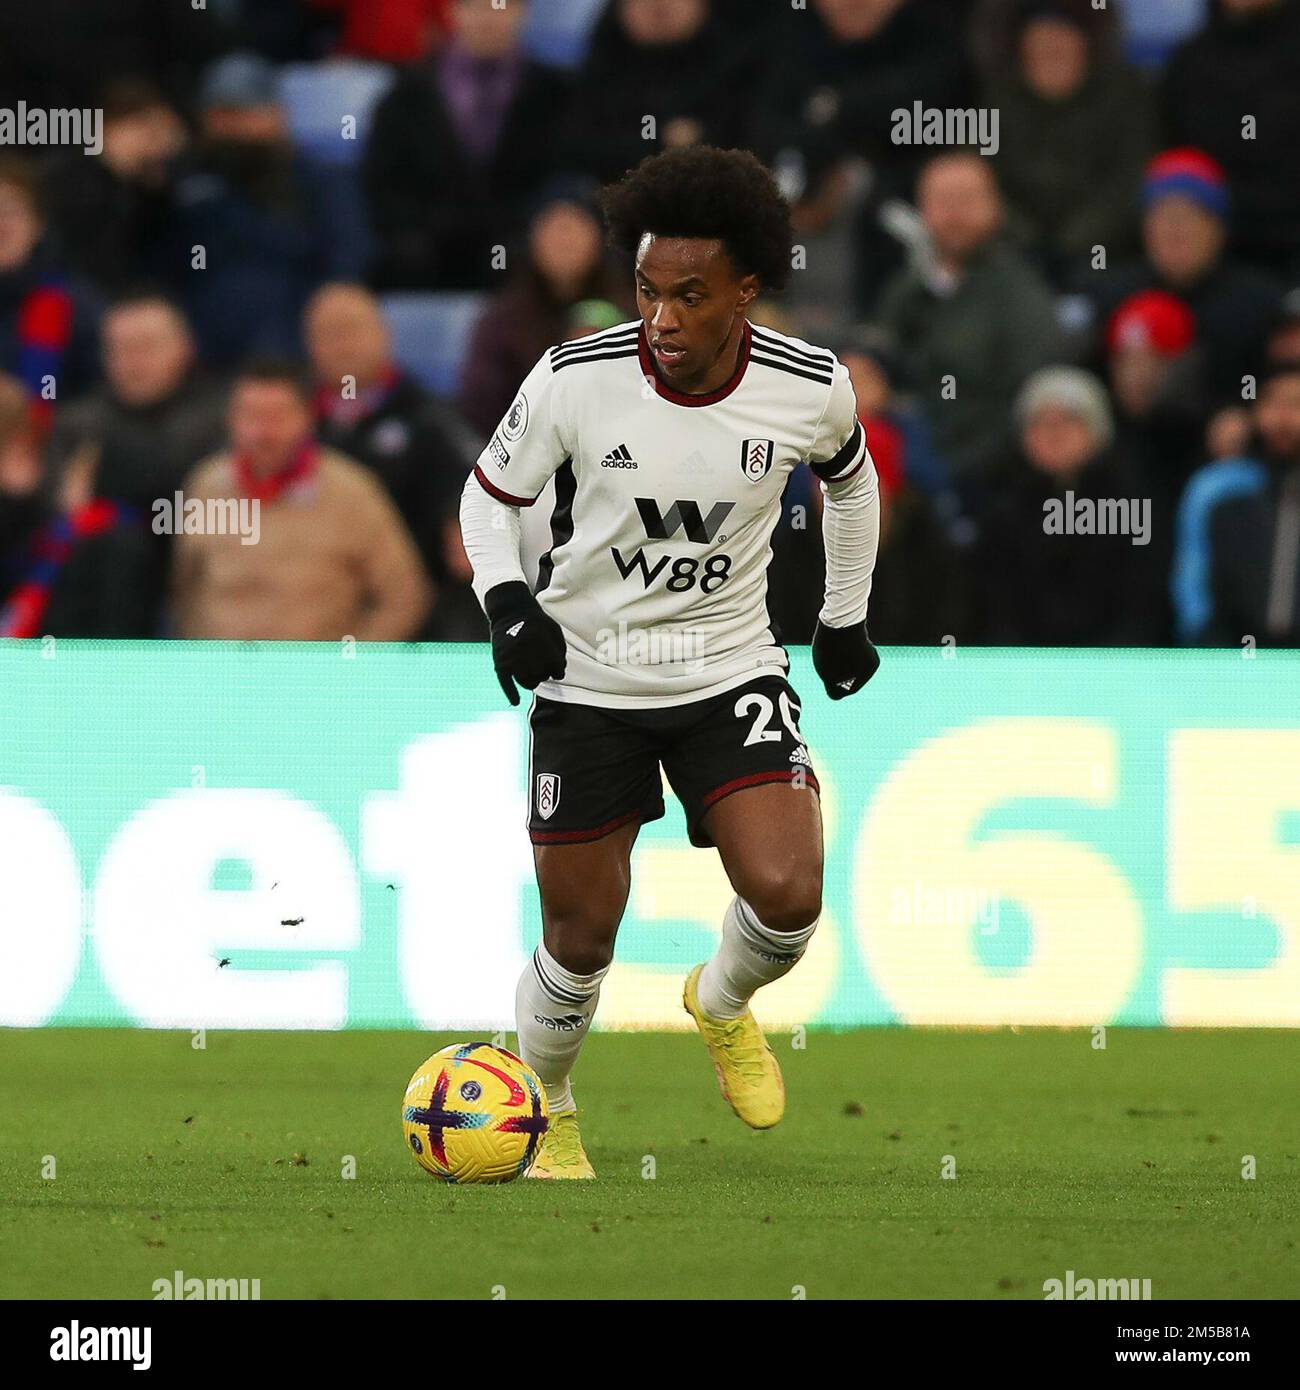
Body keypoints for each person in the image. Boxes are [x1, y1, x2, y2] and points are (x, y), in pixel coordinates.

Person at [459, 147, 881, 1178]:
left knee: (788, 893)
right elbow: (489, 499)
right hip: (588, 676)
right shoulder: (573, 377)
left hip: (728, 668)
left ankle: (720, 998)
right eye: (648, 290)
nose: (663, 318)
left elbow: (853, 484)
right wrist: (508, 602)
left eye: (691, 295)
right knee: (581, 932)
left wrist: (843, 616)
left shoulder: (809, 388)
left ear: (747, 288)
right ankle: (547, 1100)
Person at [172, 358, 431, 640]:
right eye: (251, 416)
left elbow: (405, 596)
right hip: (223, 673)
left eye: (278, 417)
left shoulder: (352, 490)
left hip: (320, 676)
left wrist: (355, 666)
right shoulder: (206, 484)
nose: (263, 433)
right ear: (231, 420)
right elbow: (184, 590)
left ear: (307, 418)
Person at [873, 152, 1061, 515]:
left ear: (996, 208)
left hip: (989, 482)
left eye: (967, 200)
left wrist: (953, 470)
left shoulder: (1021, 294)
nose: (954, 215)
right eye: (942, 201)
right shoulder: (903, 291)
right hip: (903, 477)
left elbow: (1029, 399)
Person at [304, 282, 483, 636]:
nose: (342, 344)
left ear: (384, 334)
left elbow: (474, 480)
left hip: (413, 603)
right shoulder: (293, 421)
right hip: (315, 598)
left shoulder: (429, 418)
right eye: (328, 333)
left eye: (352, 329)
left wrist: (458, 518)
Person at [1172, 361, 1300, 645]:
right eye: (1271, 402)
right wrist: (1210, 647)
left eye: (1295, 403)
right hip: (1234, 662)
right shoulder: (1218, 487)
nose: (1283, 417)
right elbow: (1193, 583)